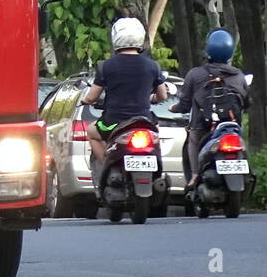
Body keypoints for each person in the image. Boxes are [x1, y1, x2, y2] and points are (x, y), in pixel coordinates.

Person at [80, 18, 168, 191]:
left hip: (113, 123)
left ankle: (106, 162)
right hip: (144, 121)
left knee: (91, 132)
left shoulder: (106, 66)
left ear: (115, 37)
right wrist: (151, 99)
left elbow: (91, 98)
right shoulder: (152, 66)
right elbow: (162, 95)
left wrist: (85, 100)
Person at [170, 29, 250, 189]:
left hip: (204, 126)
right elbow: (246, 102)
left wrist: (174, 108)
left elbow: (185, 104)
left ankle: (194, 175)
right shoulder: (239, 76)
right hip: (232, 125)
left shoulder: (195, 74)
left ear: (208, 50)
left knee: (192, 138)